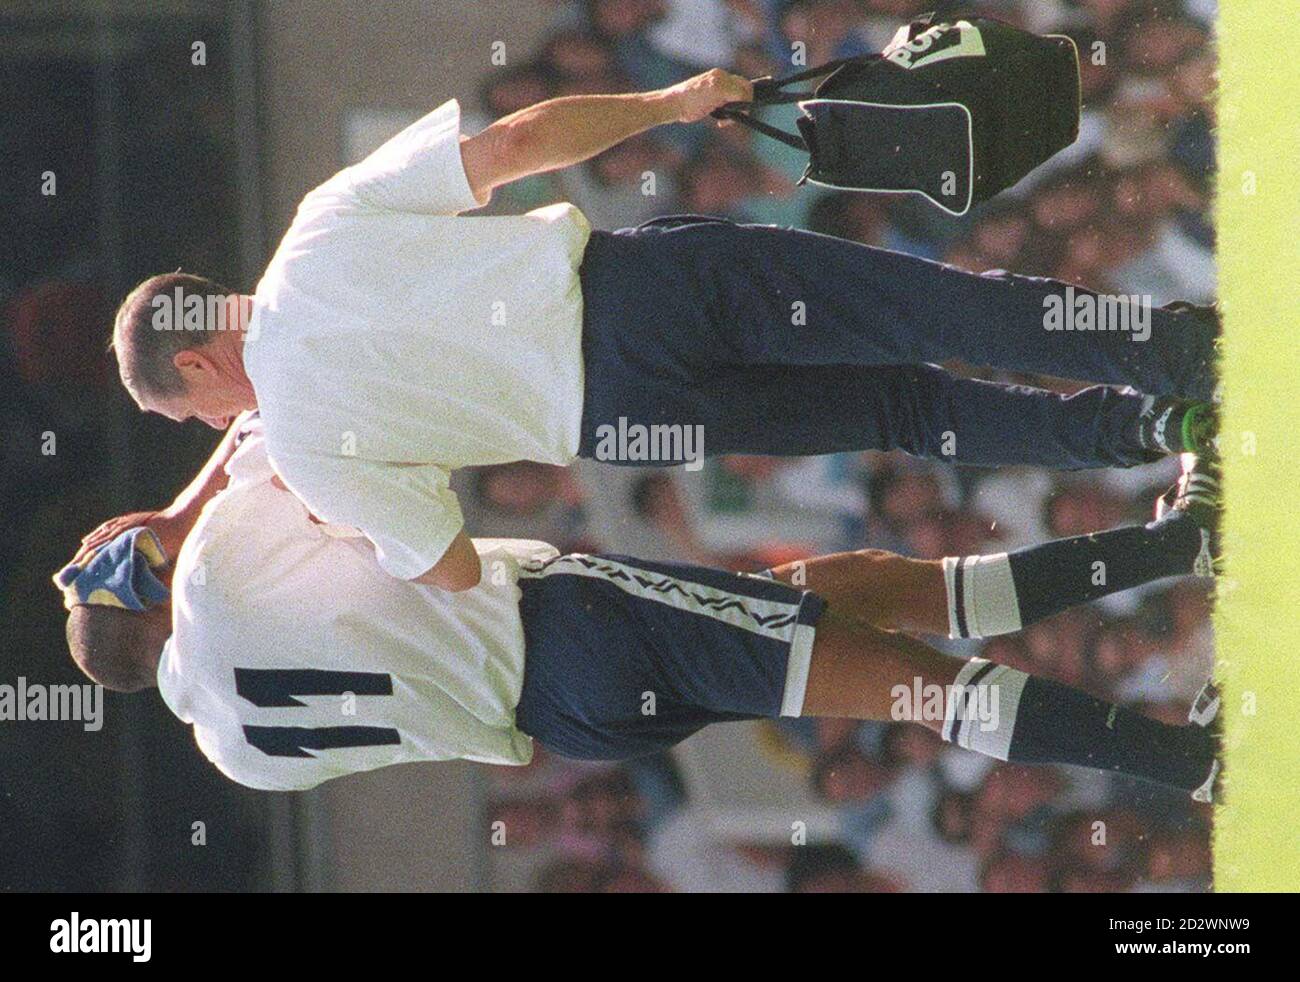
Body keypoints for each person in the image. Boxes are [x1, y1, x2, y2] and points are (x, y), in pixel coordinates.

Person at [106, 69, 1219, 592]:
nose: (216, 422)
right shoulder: (319, 224)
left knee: (904, 410)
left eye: (194, 407)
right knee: (925, 307)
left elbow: (445, 568)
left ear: (199, 360)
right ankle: (1174, 353)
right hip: (635, 289)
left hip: (629, 418)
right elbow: (520, 140)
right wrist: (668, 105)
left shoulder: (301, 449)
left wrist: (332, 507)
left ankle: (1140, 431)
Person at [62, 416, 1219, 800]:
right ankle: (1187, 763)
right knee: (904, 680)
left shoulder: (230, 753)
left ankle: (1174, 542)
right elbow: (284, 432)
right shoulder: (208, 566)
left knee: (853, 594)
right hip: (565, 622)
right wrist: (170, 513)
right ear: (142, 578)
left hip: (567, 719)